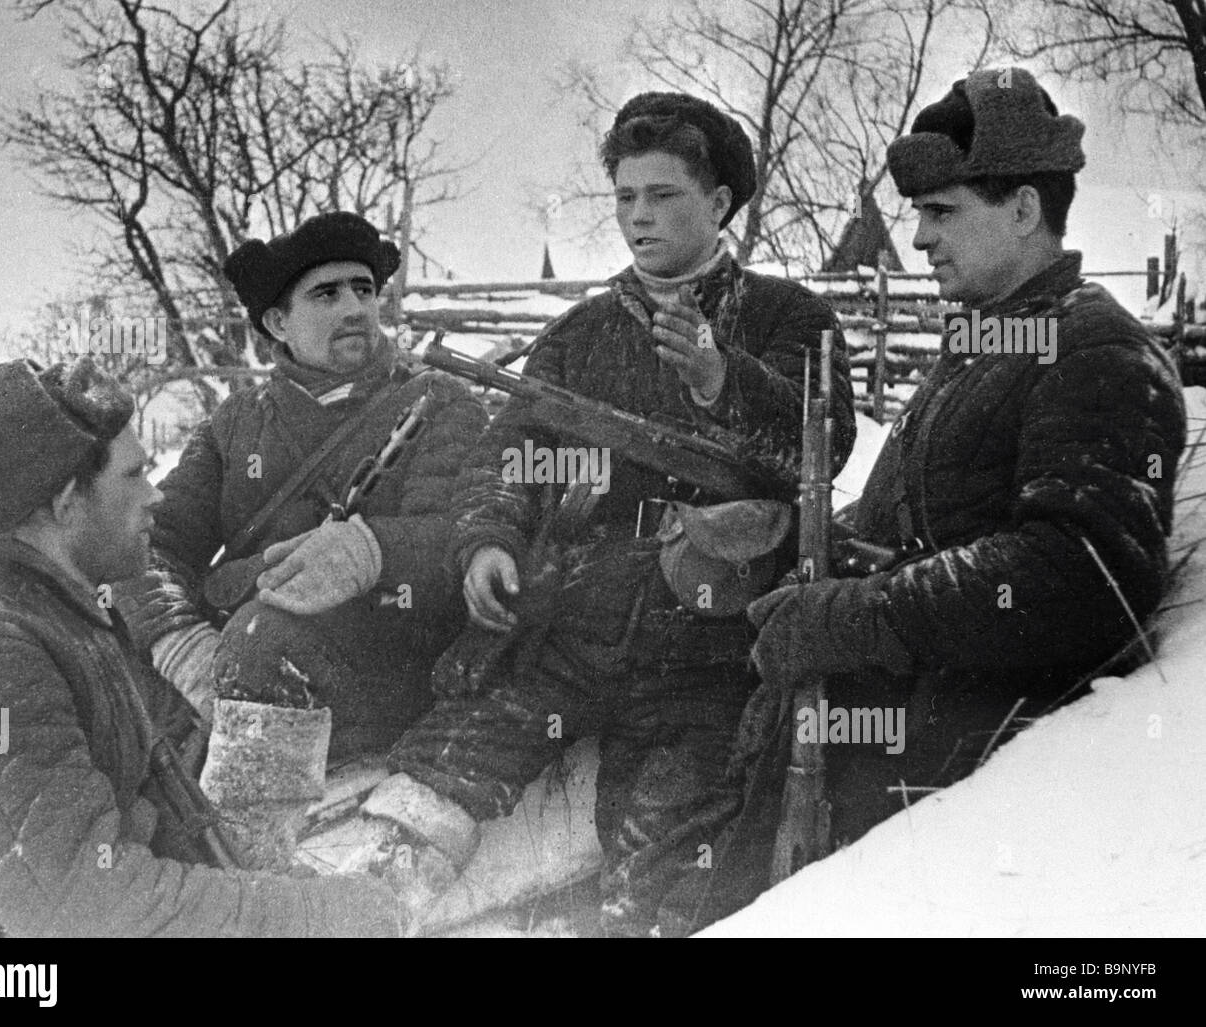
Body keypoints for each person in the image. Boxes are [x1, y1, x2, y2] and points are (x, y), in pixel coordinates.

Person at [344, 92, 857, 937]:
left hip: (712, 644)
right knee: (427, 795)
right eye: (625, 197)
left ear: (721, 202)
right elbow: (510, 452)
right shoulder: (581, 334)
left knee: (660, 882)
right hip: (567, 620)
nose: (638, 217)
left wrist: (723, 382)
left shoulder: (787, 319)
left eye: (663, 196)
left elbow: (821, 453)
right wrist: (487, 542)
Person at [719, 67, 1187, 918]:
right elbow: (907, 528)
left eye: (944, 212)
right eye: (919, 214)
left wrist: (859, 616)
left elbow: (1084, 576)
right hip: (884, 731)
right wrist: (796, 550)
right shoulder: (981, 349)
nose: (922, 239)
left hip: (968, 776)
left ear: (1023, 210)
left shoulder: (1094, 351)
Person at [0, 358, 399, 937]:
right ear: (66, 501)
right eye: (134, 475)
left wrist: (306, 894)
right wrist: (315, 918)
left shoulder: (73, 618)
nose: (156, 497)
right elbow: (90, 908)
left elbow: (166, 823)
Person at [118, 212, 487, 762]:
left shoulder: (439, 404)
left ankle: (249, 841)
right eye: (326, 295)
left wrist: (373, 550)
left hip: (389, 667)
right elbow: (152, 540)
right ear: (278, 324)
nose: (354, 309)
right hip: (241, 657)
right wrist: (179, 640)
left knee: (261, 639)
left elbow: (460, 538)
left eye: (363, 290)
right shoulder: (235, 422)